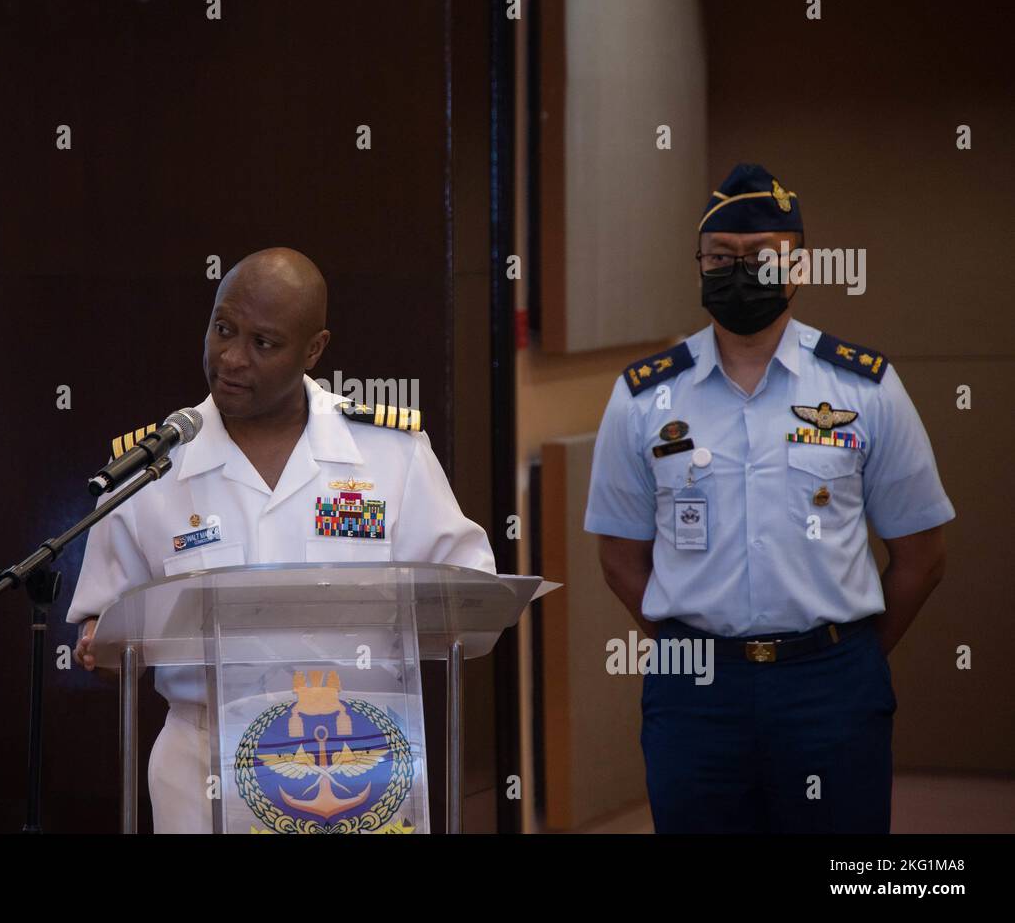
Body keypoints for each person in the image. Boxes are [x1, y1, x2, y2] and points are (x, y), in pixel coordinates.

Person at [67, 246, 495, 832]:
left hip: (360, 756)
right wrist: (101, 647)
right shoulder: (150, 470)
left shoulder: (389, 455)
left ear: (314, 349)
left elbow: (472, 599)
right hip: (202, 764)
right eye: (223, 329)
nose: (231, 358)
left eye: (263, 343)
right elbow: (106, 634)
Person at [584, 163, 953, 833]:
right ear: (698, 264)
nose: (736, 269)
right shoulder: (644, 395)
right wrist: (694, 640)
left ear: (799, 266)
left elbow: (922, 554)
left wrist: (849, 654)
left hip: (831, 686)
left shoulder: (864, 388)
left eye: (759, 256)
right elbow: (618, 557)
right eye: (719, 256)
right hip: (694, 690)